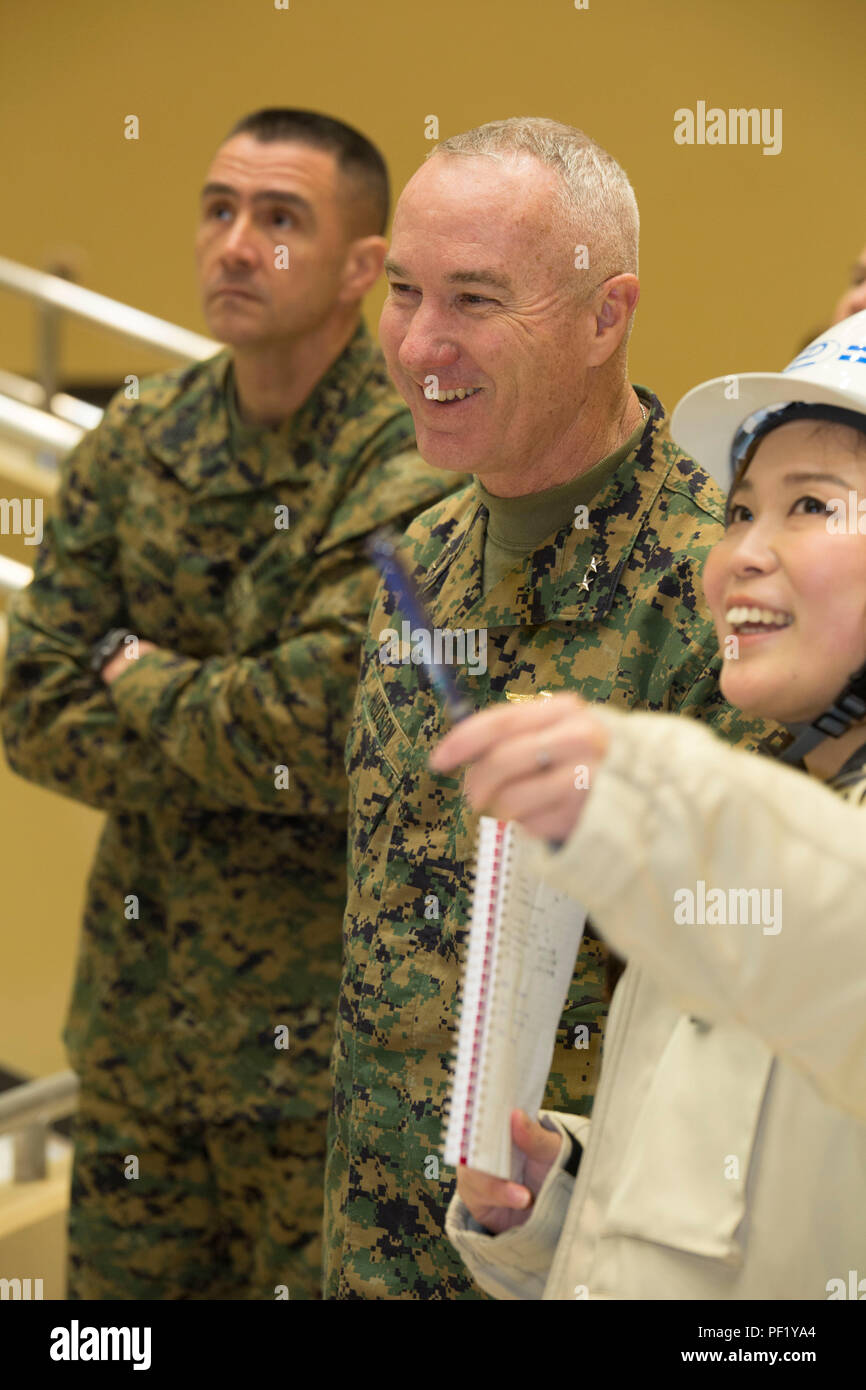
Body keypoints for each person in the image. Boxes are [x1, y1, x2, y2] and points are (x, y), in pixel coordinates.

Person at [0, 108, 465, 1301]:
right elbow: (31, 701)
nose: (235, 244)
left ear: (363, 266)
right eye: (218, 209)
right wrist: (234, 723)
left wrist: (132, 667)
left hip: (328, 1063)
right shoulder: (138, 437)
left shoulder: (411, 455)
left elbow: (322, 724)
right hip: (139, 1038)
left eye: (279, 218)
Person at [323, 116, 776, 1300]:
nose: (419, 343)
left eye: (474, 299)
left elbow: (744, 1017)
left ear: (603, 317)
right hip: (371, 1249)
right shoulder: (420, 557)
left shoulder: (724, 601)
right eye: (404, 290)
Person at [439, 309, 866, 1300]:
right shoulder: (772, 827)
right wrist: (559, 1198)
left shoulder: (744, 840)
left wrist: (639, 785)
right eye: (739, 511)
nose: (740, 554)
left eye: (810, 505)